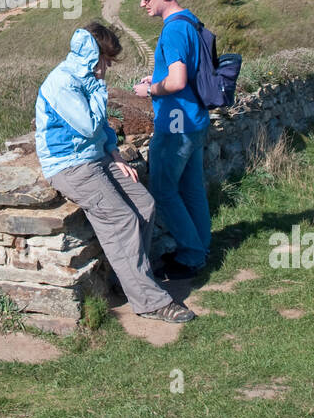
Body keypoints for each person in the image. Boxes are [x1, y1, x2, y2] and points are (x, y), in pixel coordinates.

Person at [36, 21, 195, 323]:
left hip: (96, 158)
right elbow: (88, 126)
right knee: (121, 219)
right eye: (106, 58)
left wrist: (113, 153)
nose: (109, 64)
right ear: (94, 55)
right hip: (68, 164)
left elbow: (103, 130)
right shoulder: (63, 83)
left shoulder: (82, 77)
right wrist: (98, 86)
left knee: (145, 205)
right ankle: (149, 301)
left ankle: (132, 282)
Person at [132, 0, 210, 281]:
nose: (142, 4)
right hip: (194, 120)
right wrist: (157, 78)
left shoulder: (174, 30)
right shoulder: (190, 21)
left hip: (176, 125)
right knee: (191, 190)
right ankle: (201, 249)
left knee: (164, 191)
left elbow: (177, 82)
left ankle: (190, 256)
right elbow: (183, 74)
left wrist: (150, 91)